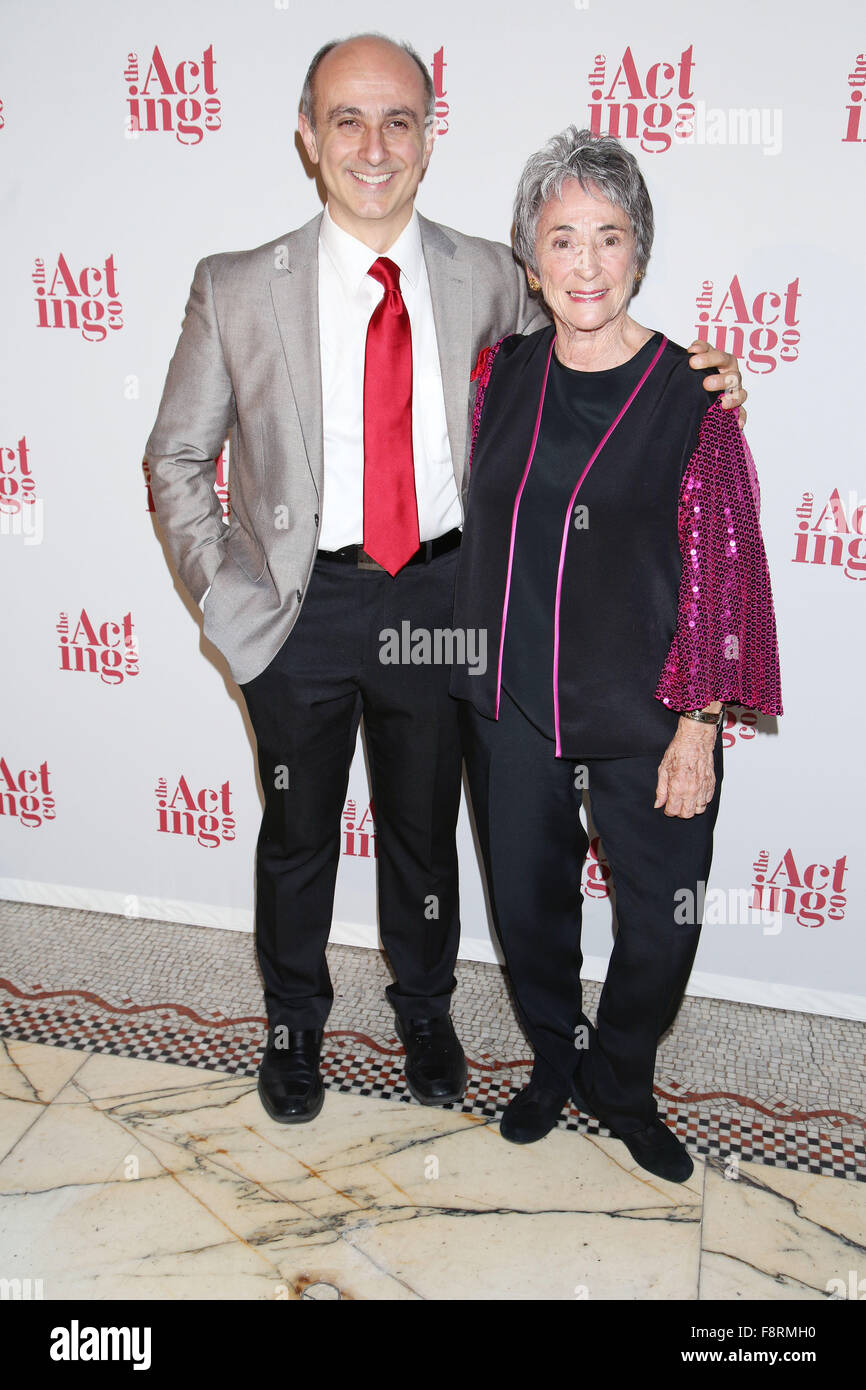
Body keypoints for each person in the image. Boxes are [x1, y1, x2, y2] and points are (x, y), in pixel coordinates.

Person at [144, 37, 744, 1127]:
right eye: (345, 120)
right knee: (297, 834)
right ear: (306, 135)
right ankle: (292, 1027)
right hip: (300, 610)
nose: (372, 146)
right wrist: (231, 604)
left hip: (446, 600)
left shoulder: (484, 274)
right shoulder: (234, 285)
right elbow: (177, 458)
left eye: (398, 121)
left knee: (423, 828)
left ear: (428, 136)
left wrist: (704, 376)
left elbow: (587, 357)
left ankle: (425, 1013)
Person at [451, 127, 781, 1182]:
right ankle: (553, 1059)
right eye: (561, 239)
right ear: (529, 256)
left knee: (661, 918)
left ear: (638, 250)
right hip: (511, 700)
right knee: (523, 906)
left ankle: (621, 1076)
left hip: (650, 709)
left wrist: (699, 725)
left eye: (607, 237)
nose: (584, 264)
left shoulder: (693, 392)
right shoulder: (496, 373)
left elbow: (723, 570)